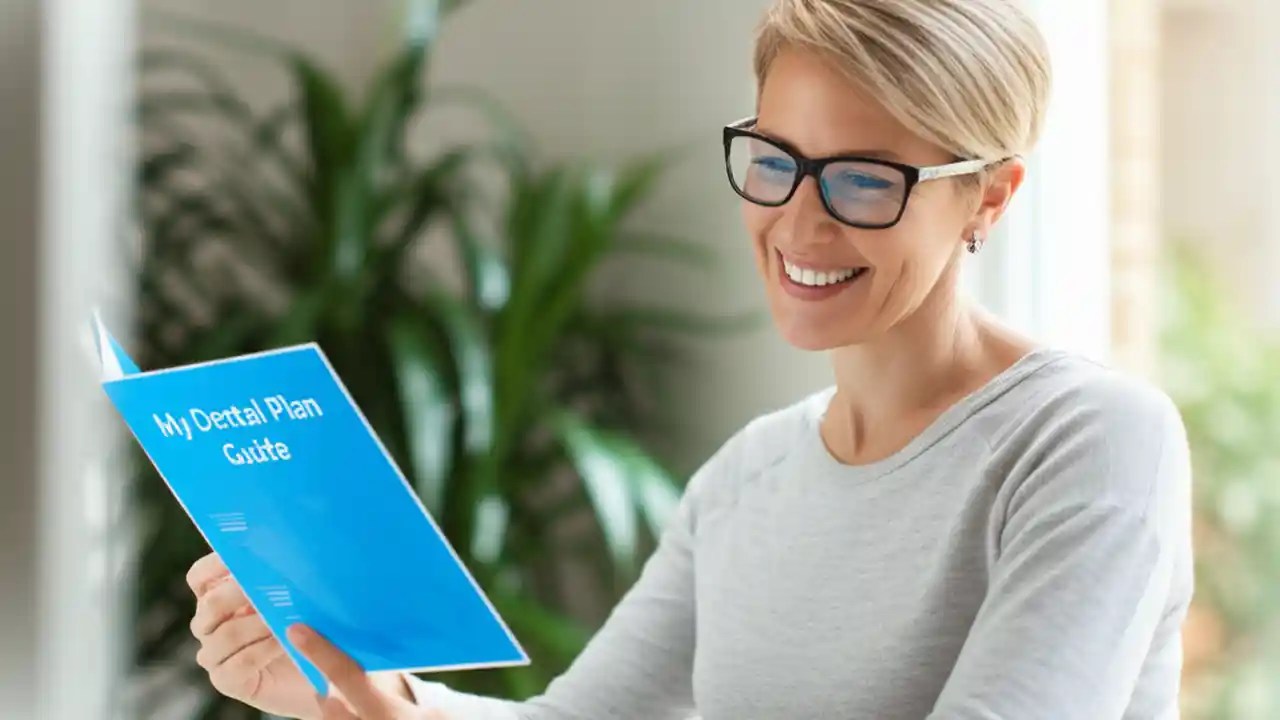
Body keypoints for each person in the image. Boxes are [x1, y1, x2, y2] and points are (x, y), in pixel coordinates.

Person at [185, 1, 1194, 718]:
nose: (797, 222)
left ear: (989, 197)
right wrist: (356, 689)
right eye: (772, 162)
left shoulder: (1087, 441)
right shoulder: (747, 476)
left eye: (860, 181)